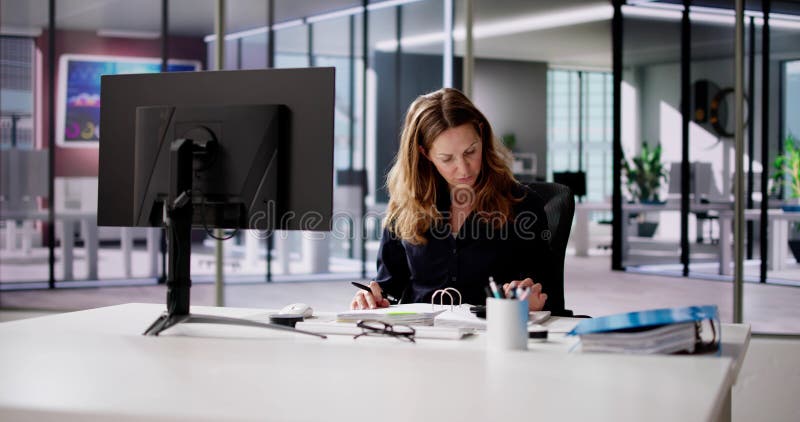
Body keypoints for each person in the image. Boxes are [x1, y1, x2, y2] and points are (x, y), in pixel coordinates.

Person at [350, 88, 556, 313]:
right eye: (447, 158)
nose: (464, 168)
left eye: (470, 152)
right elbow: (389, 286)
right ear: (425, 153)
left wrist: (530, 298)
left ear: (481, 135)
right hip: (423, 330)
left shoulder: (523, 204)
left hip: (493, 327)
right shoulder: (406, 206)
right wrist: (371, 297)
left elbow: (546, 291)